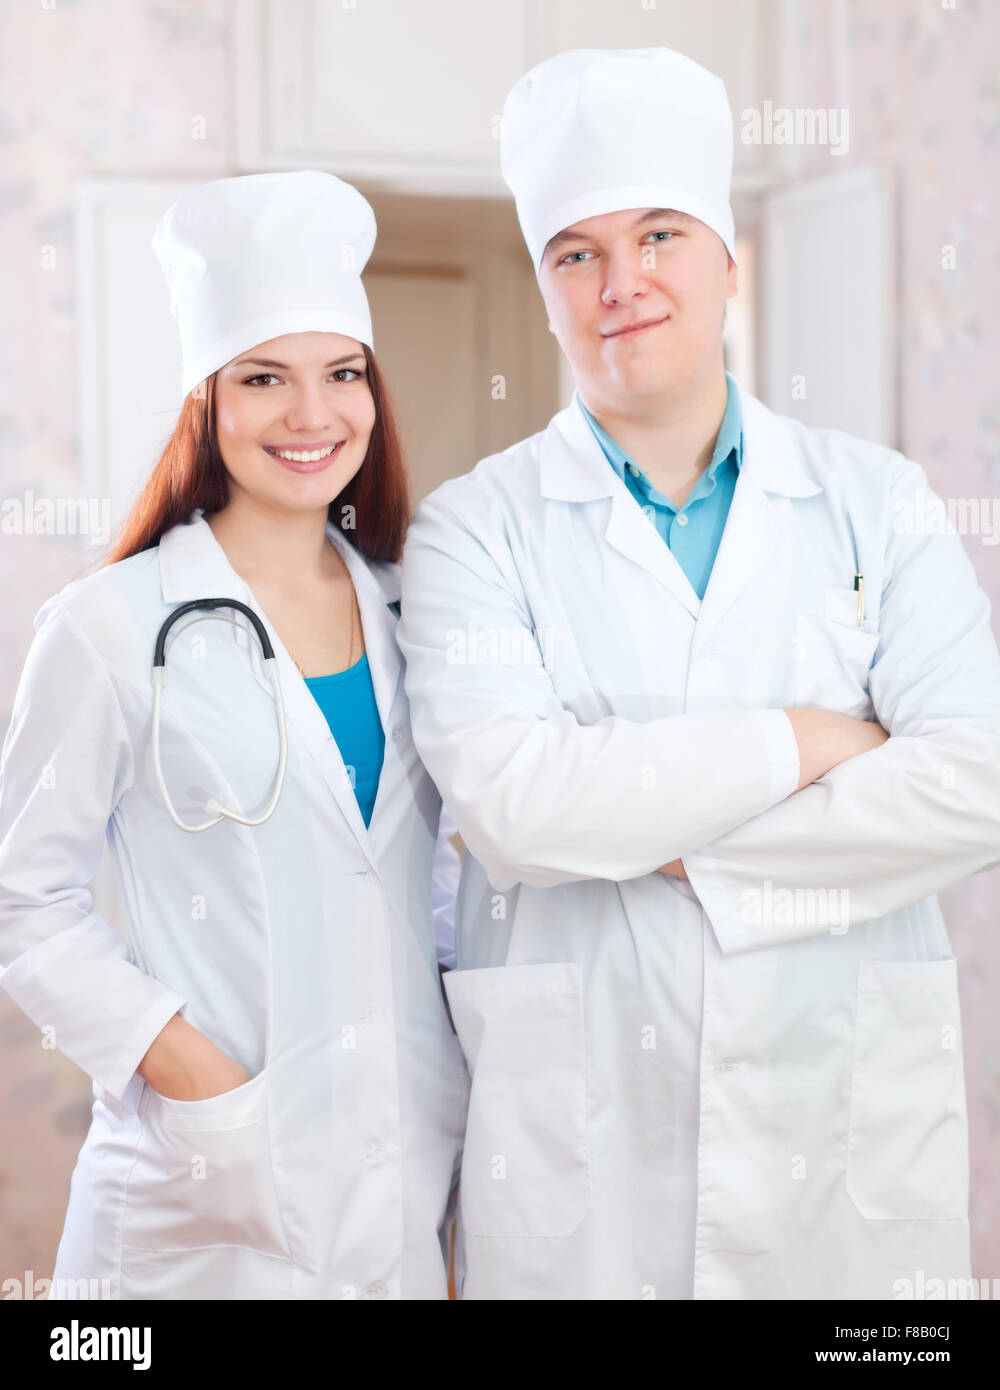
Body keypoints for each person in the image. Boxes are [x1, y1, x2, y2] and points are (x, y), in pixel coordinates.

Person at [396, 48, 1000, 1300]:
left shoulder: (873, 501)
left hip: (843, 1142)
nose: (622, 283)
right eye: (578, 253)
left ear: (728, 259)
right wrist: (809, 739)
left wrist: (669, 844)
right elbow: (513, 806)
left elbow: (976, 782)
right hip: (587, 1161)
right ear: (547, 289)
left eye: (659, 235)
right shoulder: (474, 528)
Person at [0, 170, 465, 1300]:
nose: (313, 417)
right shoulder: (110, 627)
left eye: (342, 374)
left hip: (404, 1175)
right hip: (200, 1201)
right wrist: (187, 1066)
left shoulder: (423, 612)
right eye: (265, 378)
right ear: (206, 401)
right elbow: (22, 896)